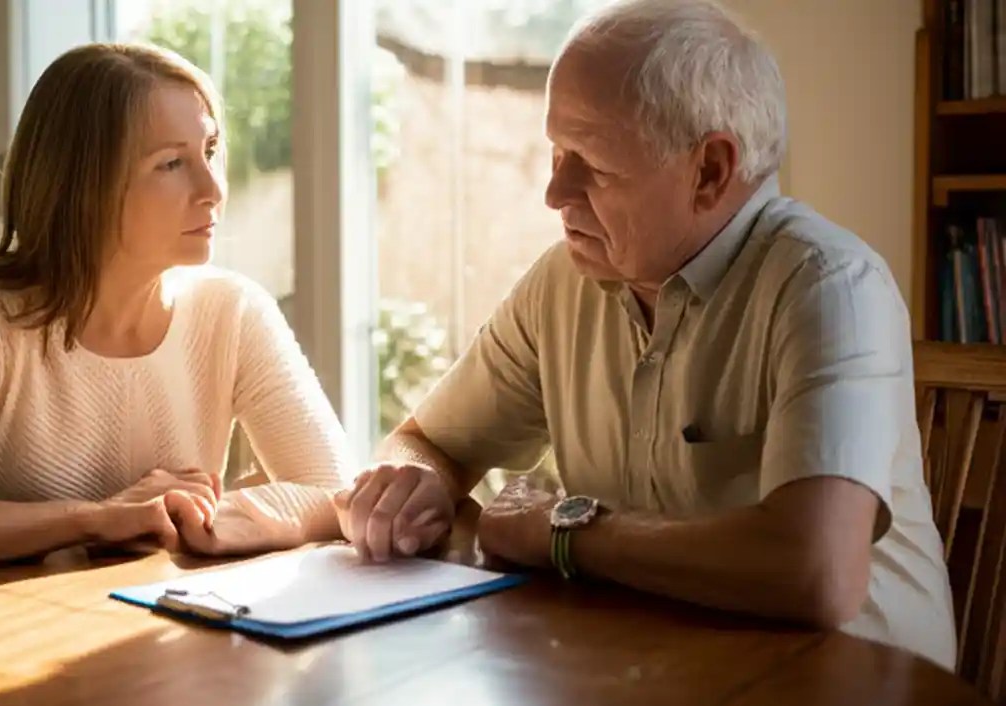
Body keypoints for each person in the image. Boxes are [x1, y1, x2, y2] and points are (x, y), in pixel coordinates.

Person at [338, 0, 956, 670]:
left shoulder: (831, 286)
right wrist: (413, 482)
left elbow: (815, 573)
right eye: (555, 151)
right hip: (660, 673)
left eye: (592, 163)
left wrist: (564, 534)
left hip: (853, 685)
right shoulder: (564, 282)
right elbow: (430, 441)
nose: (553, 190)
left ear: (711, 171)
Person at [0, 43, 351, 576]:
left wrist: (208, 513)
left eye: (209, 151)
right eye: (171, 163)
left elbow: (338, 493)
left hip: (179, 633)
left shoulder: (234, 311)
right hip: (23, 632)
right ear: (84, 185)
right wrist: (97, 519)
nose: (213, 189)